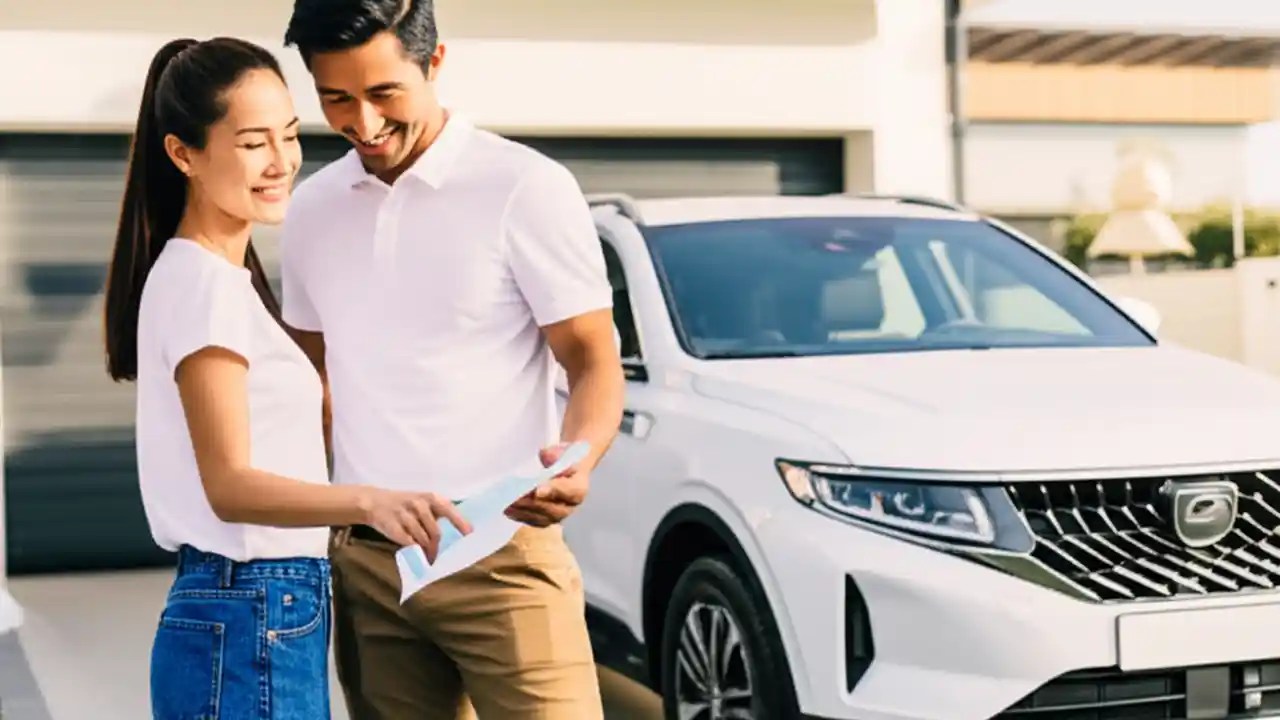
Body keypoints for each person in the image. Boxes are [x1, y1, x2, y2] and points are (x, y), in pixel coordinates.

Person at [102, 36, 472, 720]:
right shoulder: (202, 284)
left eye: (290, 135)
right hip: (251, 608)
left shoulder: (220, 282)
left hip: (255, 607)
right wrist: (369, 503)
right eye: (252, 143)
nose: (281, 162)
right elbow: (230, 485)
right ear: (183, 154)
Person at [279, 0, 627, 717]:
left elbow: (593, 360)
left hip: (502, 556)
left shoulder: (524, 188)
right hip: (370, 566)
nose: (363, 124)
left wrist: (581, 459)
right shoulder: (311, 209)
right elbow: (308, 383)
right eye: (335, 98)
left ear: (435, 63)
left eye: (384, 94)